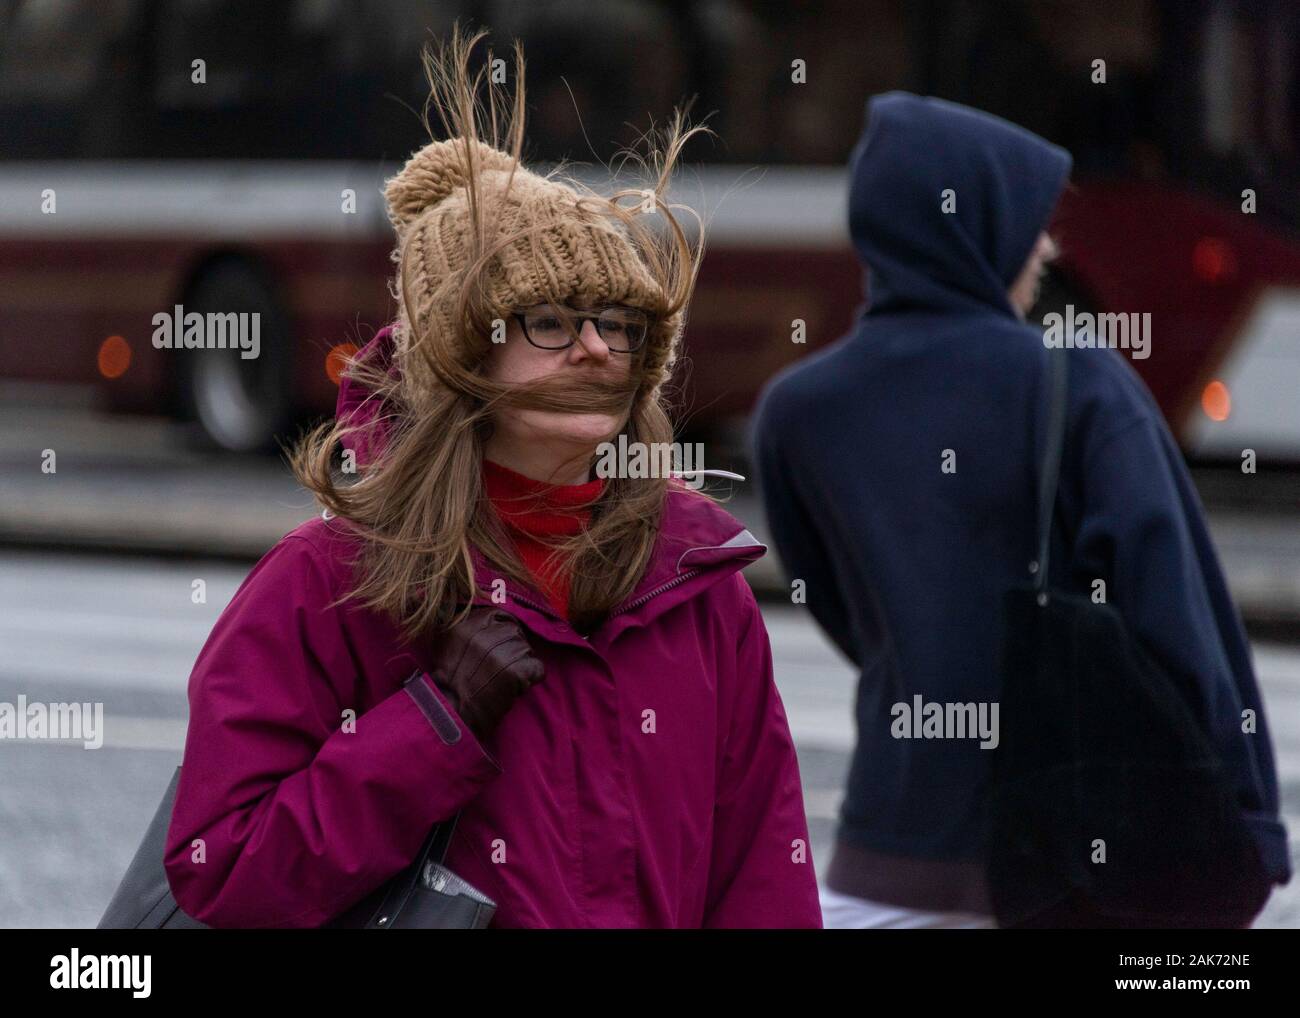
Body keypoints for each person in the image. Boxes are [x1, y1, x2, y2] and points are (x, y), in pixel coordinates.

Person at [163, 26, 821, 929]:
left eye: (619, 322)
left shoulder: (700, 589)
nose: (596, 347)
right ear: (455, 357)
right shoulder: (329, 583)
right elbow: (222, 873)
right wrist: (434, 725)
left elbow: (765, 886)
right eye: (549, 319)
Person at [752, 91, 1289, 928]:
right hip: (1066, 863)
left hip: (882, 857)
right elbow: (1177, 619)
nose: (1045, 245)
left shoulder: (796, 409)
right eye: (1031, 218)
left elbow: (846, 615)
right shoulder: (1078, 381)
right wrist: (1245, 825)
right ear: (979, 223)